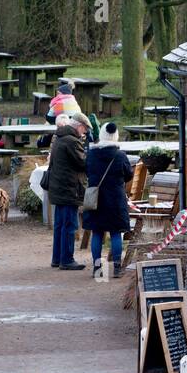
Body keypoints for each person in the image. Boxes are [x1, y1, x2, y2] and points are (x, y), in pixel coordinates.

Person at [81, 122, 133, 279]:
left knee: (97, 233)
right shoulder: (120, 156)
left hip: (95, 199)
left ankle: (98, 269)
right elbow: (129, 175)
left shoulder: (91, 154)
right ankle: (117, 268)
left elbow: (87, 171)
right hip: (115, 200)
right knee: (116, 233)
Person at [47, 111, 90, 270]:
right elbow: (83, 163)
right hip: (69, 189)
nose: (84, 133)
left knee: (59, 225)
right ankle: (67, 260)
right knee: (70, 225)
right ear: (79, 126)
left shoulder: (59, 138)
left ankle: (57, 258)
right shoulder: (72, 141)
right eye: (84, 129)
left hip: (58, 188)